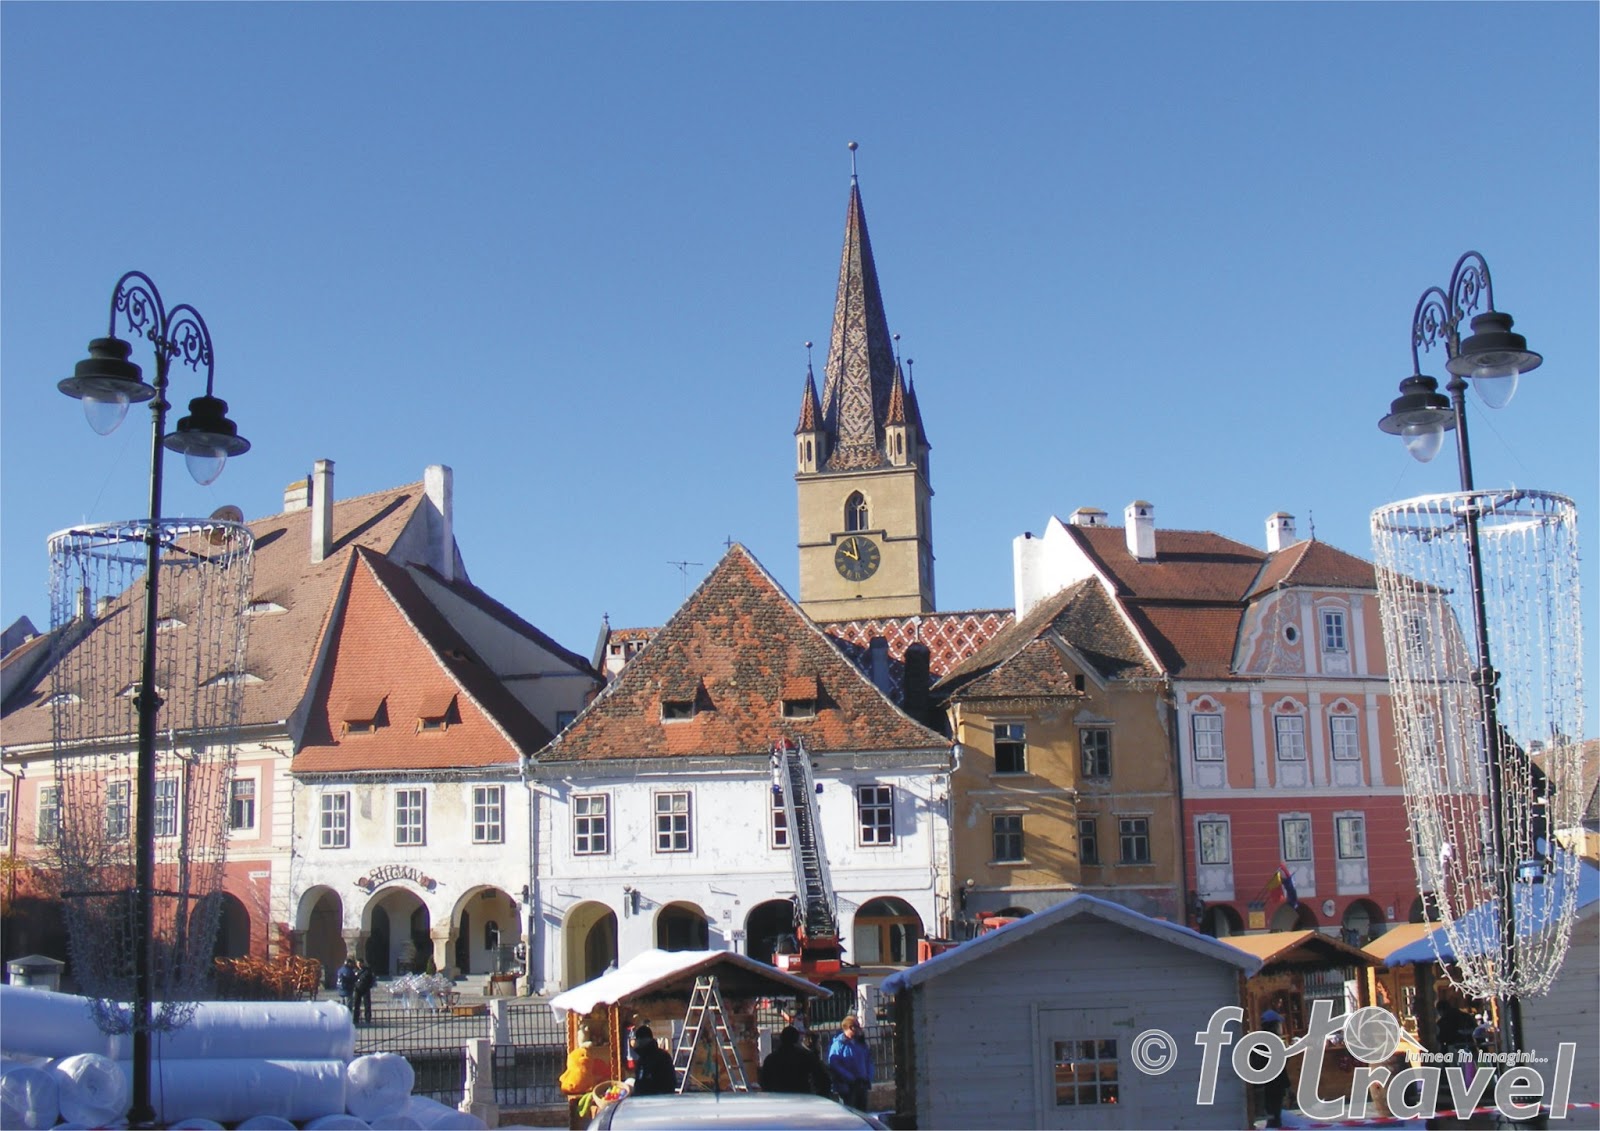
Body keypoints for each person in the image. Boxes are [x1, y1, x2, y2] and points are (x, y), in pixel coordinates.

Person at [761, 1025, 830, 1095]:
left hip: (779, 1097)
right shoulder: (805, 1056)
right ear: (797, 1039)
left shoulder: (771, 1059)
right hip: (802, 1096)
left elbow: (764, 1082)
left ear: (781, 1038)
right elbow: (822, 1078)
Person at [1253, 1009, 1291, 1129]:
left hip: (1266, 1084)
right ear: (1273, 1026)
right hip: (1274, 1084)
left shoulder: (1260, 1041)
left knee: (1272, 1114)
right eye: (1278, 1024)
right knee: (1274, 1115)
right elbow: (1280, 1065)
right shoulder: (1272, 1042)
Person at [827, 1014, 874, 1112]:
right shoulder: (839, 1044)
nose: (859, 1030)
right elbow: (834, 1064)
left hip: (862, 1084)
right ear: (850, 1028)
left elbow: (869, 1060)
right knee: (850, 1111)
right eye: (856, 1027)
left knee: (862, 1112)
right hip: (848, 1086)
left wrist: (868, 1076)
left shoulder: (861, 1044)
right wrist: (850, 1077)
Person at [629, 1025, 678, 1096]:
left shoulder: (661, 1057)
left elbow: (669, 1083)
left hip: (658, 1101)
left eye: (638, 1040)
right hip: (642, 1101)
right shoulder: (642, 1059)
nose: (637, 1042)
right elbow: (640, 1082)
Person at [352, 958, 377, 1025]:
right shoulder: (354, 970)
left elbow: (372, 979)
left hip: (365, 989)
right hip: (357, 989)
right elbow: (352, 979)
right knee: (356, 1004)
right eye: (358, 963)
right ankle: (356, 1019)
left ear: (363, 963)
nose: (359, 964)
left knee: (367, 1004)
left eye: (360, 963)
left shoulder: (367, 970)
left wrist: (369, 986)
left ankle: (367, 1019)